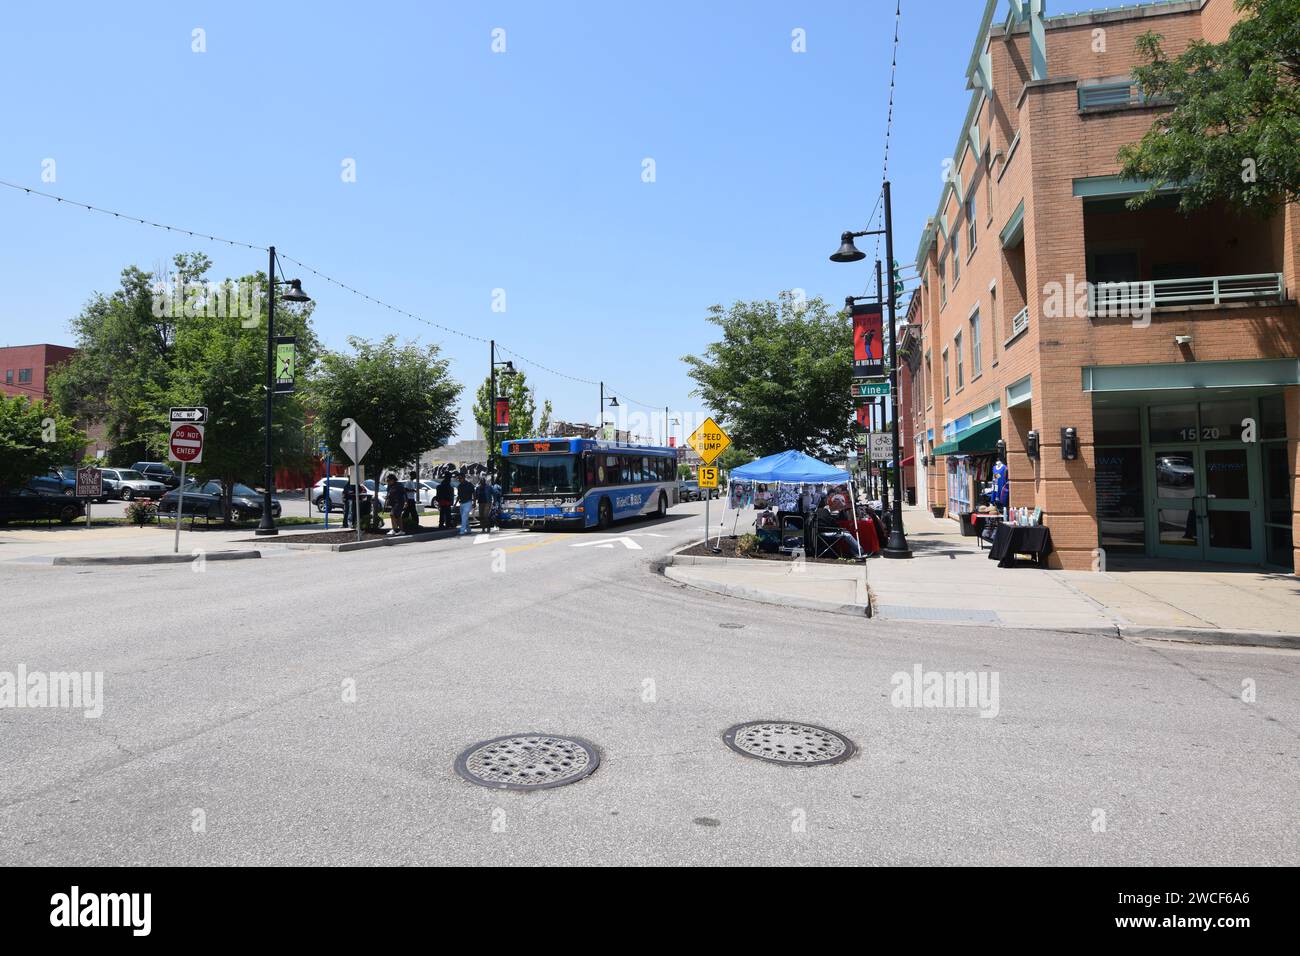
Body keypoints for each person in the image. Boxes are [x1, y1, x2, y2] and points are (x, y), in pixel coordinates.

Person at [457, 471, 475, 535]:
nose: (459, 479)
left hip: (468, 502)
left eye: (460, 478)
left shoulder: (469, 484)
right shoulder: (459, 486)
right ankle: (468, 529)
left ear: (464, 478)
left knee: (464, 516)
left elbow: (474, 493)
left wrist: (474, 502)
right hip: (461, 503)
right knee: (464, 517)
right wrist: (455, 504)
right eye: (458, 478)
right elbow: (458, 496)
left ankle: (462, 530)